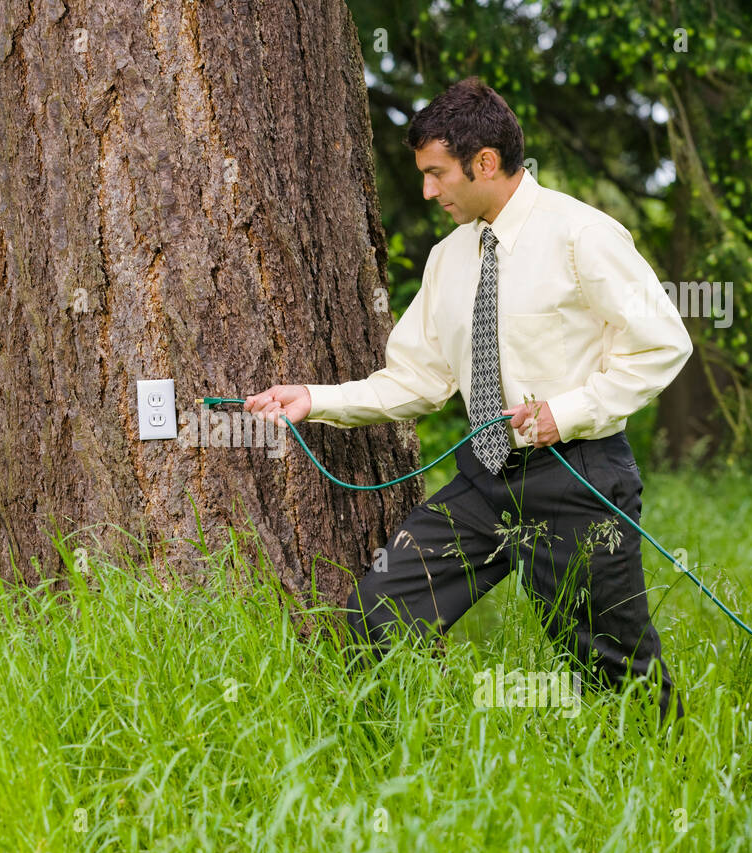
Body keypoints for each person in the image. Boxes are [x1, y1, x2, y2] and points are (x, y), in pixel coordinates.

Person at [244, 77, 693, 725]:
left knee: (610, 660)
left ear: (485, 163)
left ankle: (665, 780)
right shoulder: (449, 258)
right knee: (378, 611)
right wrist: (313, 399)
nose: (428, 192)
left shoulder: (582, 234)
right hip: (484, 483)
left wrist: (565, 412)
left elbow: (661, 343)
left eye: (437, 174)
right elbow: (417, 381)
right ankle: (390, 758)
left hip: (577, 477)